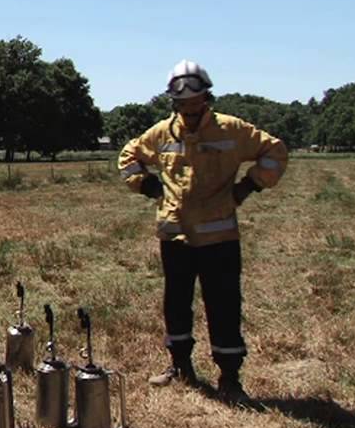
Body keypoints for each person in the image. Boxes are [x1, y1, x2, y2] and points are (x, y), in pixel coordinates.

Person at [118, 59, 287, 402]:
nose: (191, 109)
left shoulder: (232, 130)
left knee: (223, 305)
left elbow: (275, 151)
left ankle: (229, 377)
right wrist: (150, 188)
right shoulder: (162, 133)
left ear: (207, 98)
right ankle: (180, 366)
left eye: (196, 102)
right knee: (176, 303)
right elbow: (128, 156)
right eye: (183, 104)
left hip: (219, 239)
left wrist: (249, 186)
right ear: (174, 103)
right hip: (175, 236)